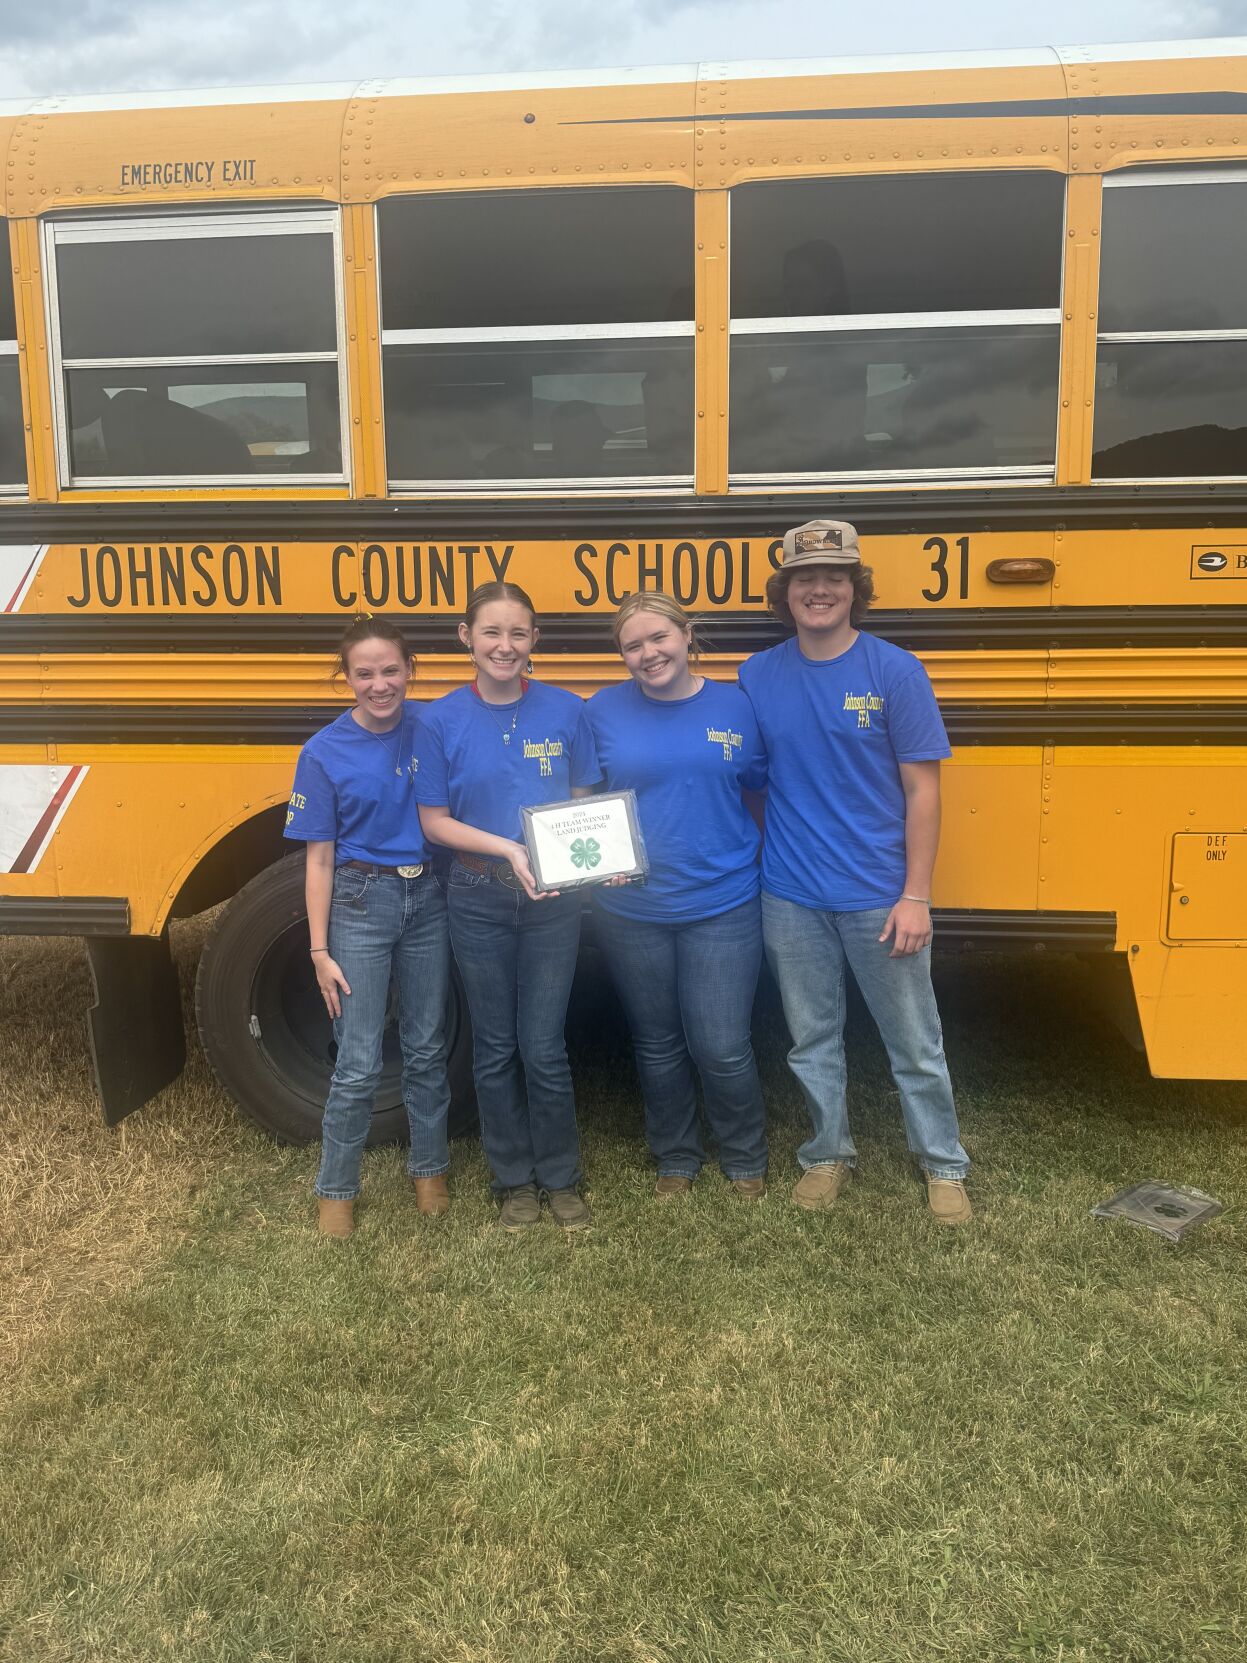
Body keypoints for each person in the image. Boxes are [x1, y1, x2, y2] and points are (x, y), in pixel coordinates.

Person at [738, 519, 972, 1224]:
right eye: (804, 578)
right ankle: (826, 1153)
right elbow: (751, 779)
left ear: (853, 589)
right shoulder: (757, 674)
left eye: (833, 577)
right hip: (789, 895)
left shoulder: (893, 670)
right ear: (785, 593)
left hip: (878, 895)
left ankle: (942, 1164)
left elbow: (921, 789)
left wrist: (915, 894)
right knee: (810, 1039)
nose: (818, 589)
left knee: (914, 1043)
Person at [415, 582, 602, 1231]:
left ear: (534, 641)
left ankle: (561, 1177)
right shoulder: (438, 719)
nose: (505, 645)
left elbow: (582, 804)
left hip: (551, 898)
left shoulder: (566, 711)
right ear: (466, 636)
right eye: (491, 631)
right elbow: (435, 821)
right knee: (494, 1047)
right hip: (475, 895)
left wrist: (590, 859)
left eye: (518, 633)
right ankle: (514, 1181)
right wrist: (509, 849)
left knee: (543, 1045)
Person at [586, 592, 770, 1200]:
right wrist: (596, 857)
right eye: (632, 645)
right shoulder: (602, 712)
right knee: (657, 1042)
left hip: (723, 901)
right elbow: (586, 801)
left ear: (687, 636)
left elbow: (757, 790)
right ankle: (677, 1157)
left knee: (720, 1043)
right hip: (631, 909)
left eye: (658, 638)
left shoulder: (736, 706)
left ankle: (744, 1155)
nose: (648, 653)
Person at [284, 617, 451, 1239]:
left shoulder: (430, 728)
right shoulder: (324, 752)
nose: (380, 685)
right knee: (357, 1060)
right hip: (360, 901)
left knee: (428, 1045)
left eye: (391, 671)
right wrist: (319, 949)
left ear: (410, 671)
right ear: (346, 678)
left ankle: (429, 1169)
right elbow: (319, 858)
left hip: (427, 897)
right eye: (364, 673)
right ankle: (336, 1189)